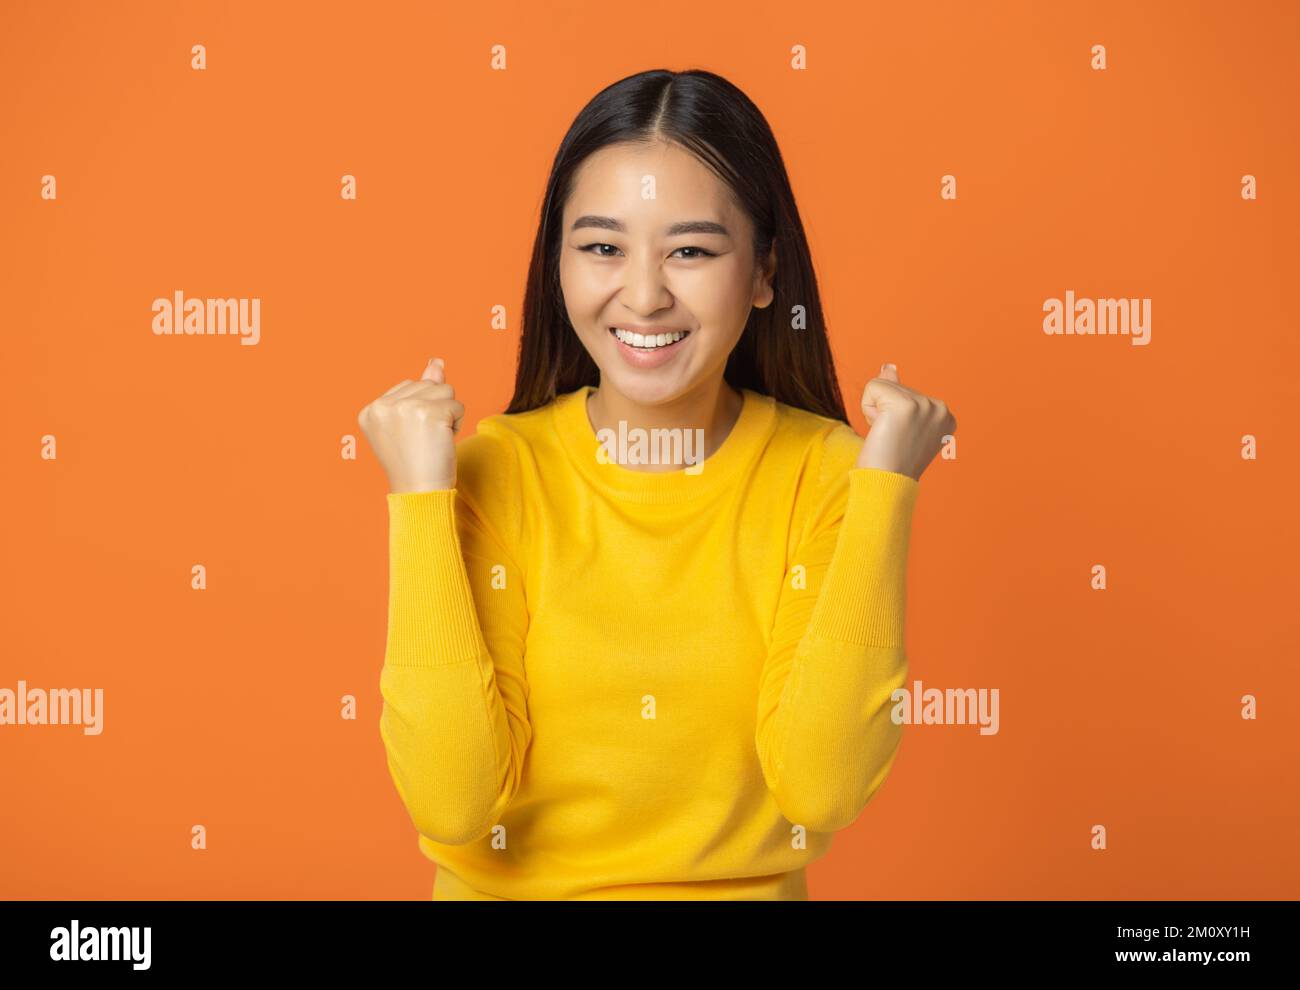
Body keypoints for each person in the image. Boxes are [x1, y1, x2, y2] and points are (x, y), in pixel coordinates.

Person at [357, 68, 956, 900]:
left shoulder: (827, 477)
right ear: (557, 262)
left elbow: (824, 787)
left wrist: (885, 482)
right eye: (602, 247)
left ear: (763, 273)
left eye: (691, 251)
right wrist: (421, 501)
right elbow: (454, 804)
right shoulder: (497, 471)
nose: (642, 296)